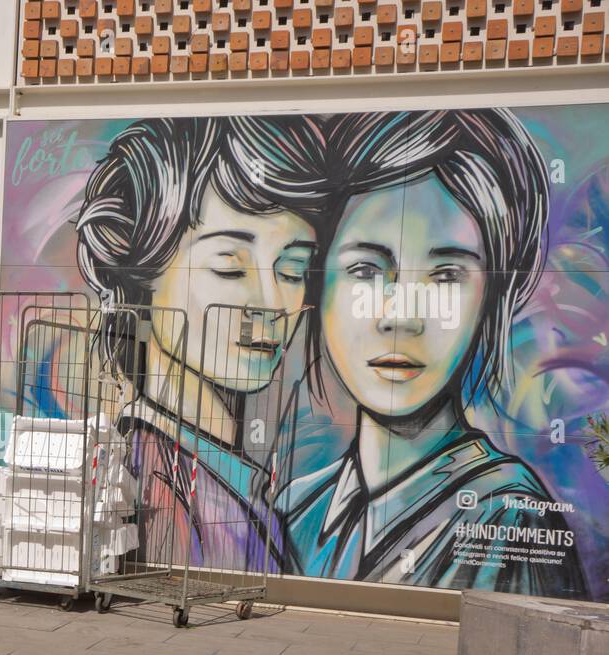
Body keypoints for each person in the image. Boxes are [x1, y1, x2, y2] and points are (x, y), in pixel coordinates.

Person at [278, 109, 587, 597]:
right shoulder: (295, 506)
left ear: (492, 300)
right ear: (318, 281)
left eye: (446, 277)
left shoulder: (508, 515)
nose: (401, 317)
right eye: (365, 269)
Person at [75, 115, 330, 574]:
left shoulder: (216, 470)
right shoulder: (160, 483)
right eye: (230, 267)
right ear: (143, 272)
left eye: (293, 270)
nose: (272, 305)